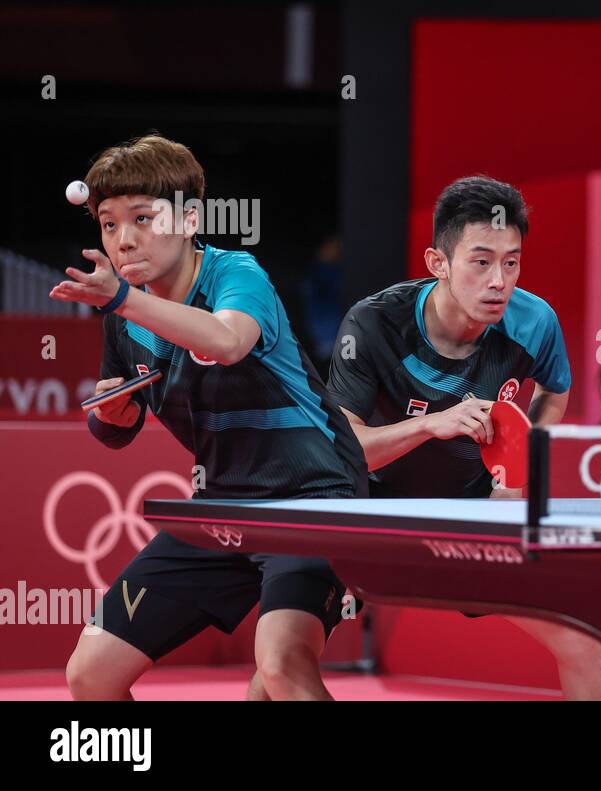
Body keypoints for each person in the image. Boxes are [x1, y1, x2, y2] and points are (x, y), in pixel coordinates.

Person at [49, 134, 367, 701]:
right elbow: (115, 427)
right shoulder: (125, 318)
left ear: (191, 218)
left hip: (314, 502)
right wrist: (112, 414)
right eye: (108, 223)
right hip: (220, 509)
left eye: (143, 218)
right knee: (90, 674)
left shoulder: (235, 275)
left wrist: (121, 297)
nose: (124, 239)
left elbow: (226, 341)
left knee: (280, 668)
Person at [326, 175, 601, 700]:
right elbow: (341, 445)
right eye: (481, 261)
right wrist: (428, 424)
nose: (499, 281)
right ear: (437, 263)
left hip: (469, 511)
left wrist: (518, 466)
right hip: (366, 510)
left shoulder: (534, 322)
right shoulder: (374, 325)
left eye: (511, 262)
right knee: (285, 655)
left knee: (583, 641)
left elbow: (555, 393)